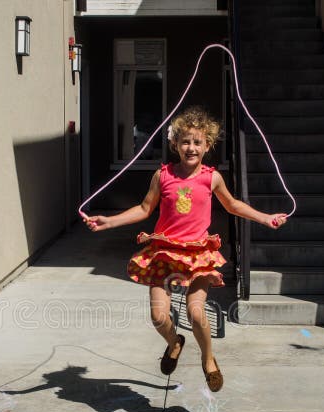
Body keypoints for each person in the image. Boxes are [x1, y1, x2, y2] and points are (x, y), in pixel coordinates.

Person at [84, 106, 287, 392]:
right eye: (185, 141)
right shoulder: (163, 175)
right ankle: (174, 342)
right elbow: (144, 209)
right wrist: (109, 221)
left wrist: (265, 218)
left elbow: (233, 205)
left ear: (207, 145)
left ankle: (208, 359)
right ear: (175, 144)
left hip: (196, 254)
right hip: (164, 252)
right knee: (158, 317)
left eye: (197, 142)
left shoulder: (212, 178)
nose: (191, 147)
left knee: (195, 311)